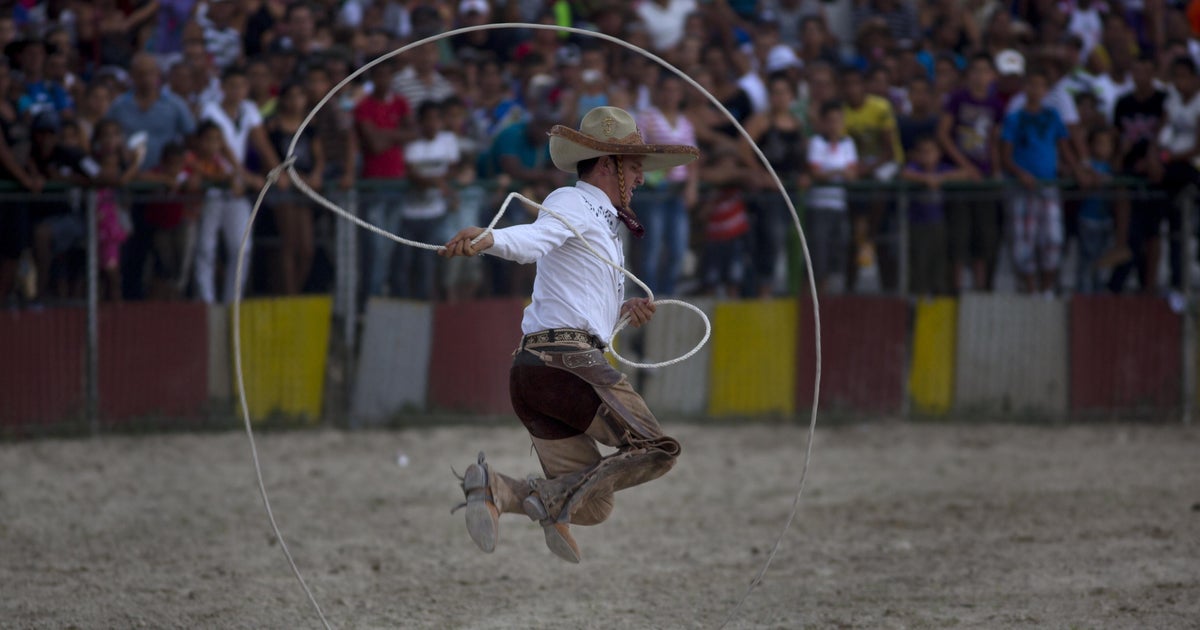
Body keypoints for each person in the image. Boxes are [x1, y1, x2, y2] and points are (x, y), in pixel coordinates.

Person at [439, 106, 697, 563]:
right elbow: (533, 241)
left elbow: (576, 303)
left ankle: (500, 490)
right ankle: (550, 499)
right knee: (657, 450)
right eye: (635, 166)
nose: (641, 177)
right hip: (567, 363)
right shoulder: (571, 202)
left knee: (594, 505)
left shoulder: (602, 221)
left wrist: (620, 312)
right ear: (608, 165)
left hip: (535, 371)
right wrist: (490, 239)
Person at [1000, 66, 1088, 295]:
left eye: (1041, 85)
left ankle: (1047, 288)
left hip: (1049, 186)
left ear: (1046, 90)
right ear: (1024, 88)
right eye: (1032, 84)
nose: (1036, 90)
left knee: (1053, 238)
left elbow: (1064, 147)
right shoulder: (1014, 118)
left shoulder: (1053, 116)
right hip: (1022, 188)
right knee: (1024, 241)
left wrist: (1077, 169)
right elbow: (1005, 155)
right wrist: (1020, 173)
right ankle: (1031, 289)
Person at [900, 135, 970, 296]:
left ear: (938, 153)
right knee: (919, 262)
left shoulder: (942, 169)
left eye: (930, 152)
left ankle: (939, 297)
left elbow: (965, 173)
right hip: (917, 224)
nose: (926, 156)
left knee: (938, 263)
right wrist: (925, 179)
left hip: (938, 224)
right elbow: (904, 173)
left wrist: (941, 178)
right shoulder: (914, 167)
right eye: (922, 152)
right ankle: (918, 298)